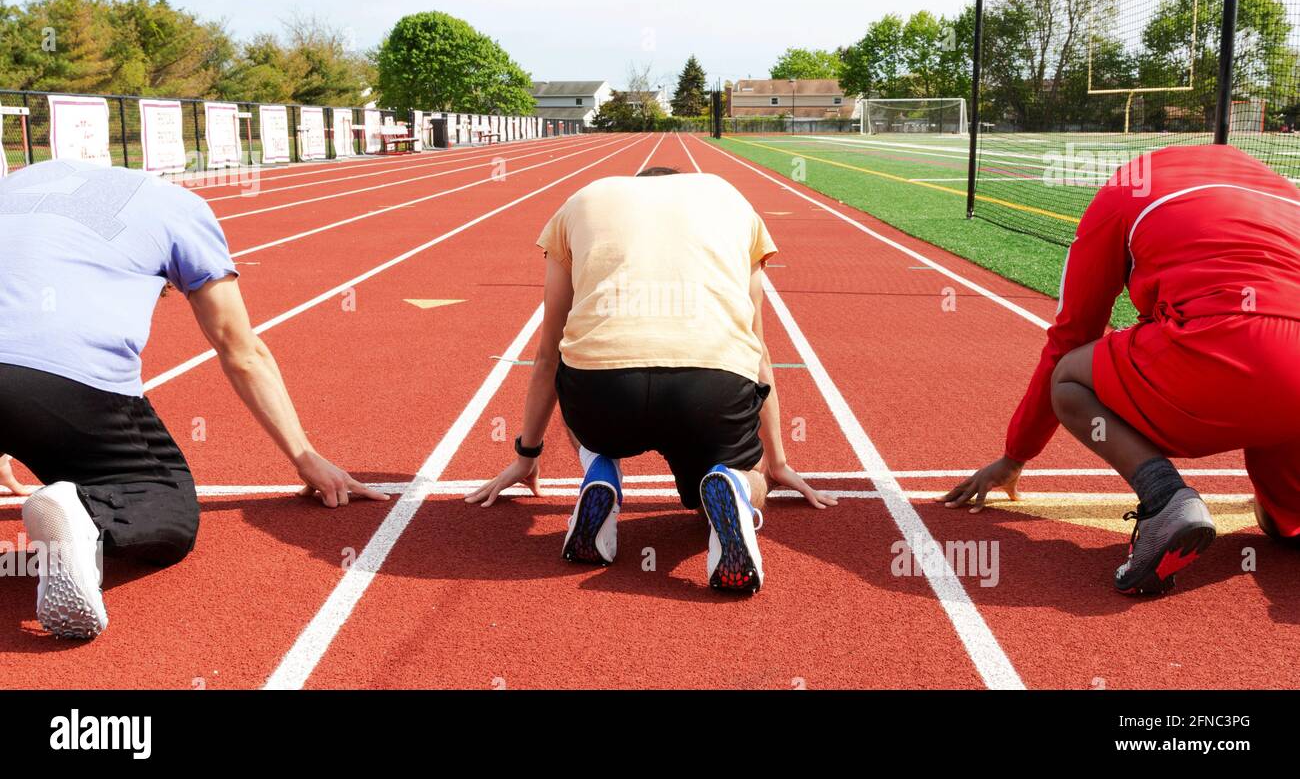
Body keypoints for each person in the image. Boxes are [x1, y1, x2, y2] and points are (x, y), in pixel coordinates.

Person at [0, 159, 385, 639]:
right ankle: (85, 516)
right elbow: (240, 349)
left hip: (26, 379)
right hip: (70, 381)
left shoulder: (18, 183)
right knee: (167, 512)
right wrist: (305, 456)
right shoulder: (179, 207)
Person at [944, 145, 1300, 594]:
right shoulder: (1284, 193)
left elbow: (1072, 336)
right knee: (1283, 523)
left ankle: (1164, 498)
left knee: (1070, 378)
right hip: (1292, 396)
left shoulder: (1126, 192)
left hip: (1210, 360)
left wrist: (1017, 454)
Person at [468, 167, 834, 593]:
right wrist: (776, 465)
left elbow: (548, 353)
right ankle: (736, 485)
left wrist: (526, 456)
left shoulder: (582, 201)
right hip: (711, 390)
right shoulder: (731, 200)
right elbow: (759, 351)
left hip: (602, 395)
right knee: (742, 476)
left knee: (575, 356)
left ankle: (599, 467)